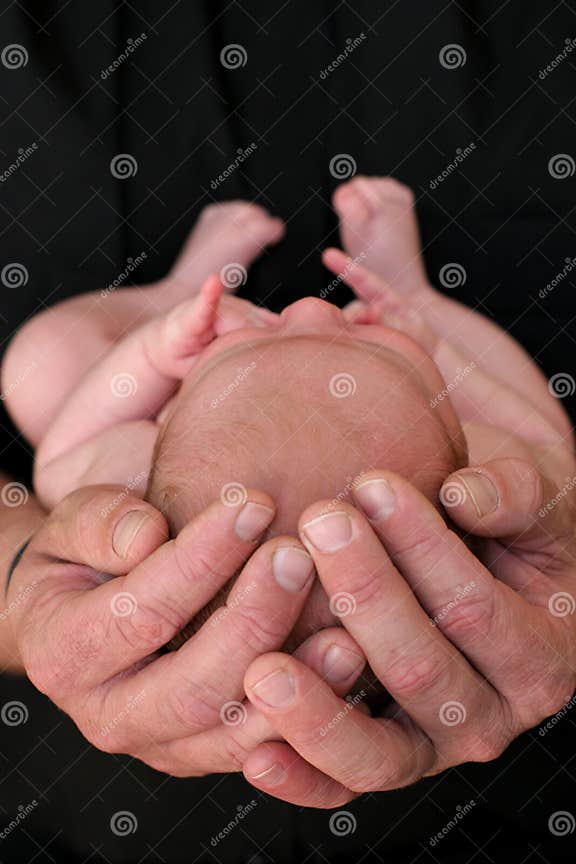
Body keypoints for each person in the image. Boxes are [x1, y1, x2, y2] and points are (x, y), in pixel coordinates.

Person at [1, 3, 575, 862]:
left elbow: (57, 457)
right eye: (367, 343)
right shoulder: (477, 469)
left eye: (250, 346)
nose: (308, 306)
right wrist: (421, 331)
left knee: (41, 369)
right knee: (538, 439)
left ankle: (173, 290)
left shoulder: (117, 469)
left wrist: (162, 347)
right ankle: (408, 288)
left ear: (163, 430)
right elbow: (538, 432)